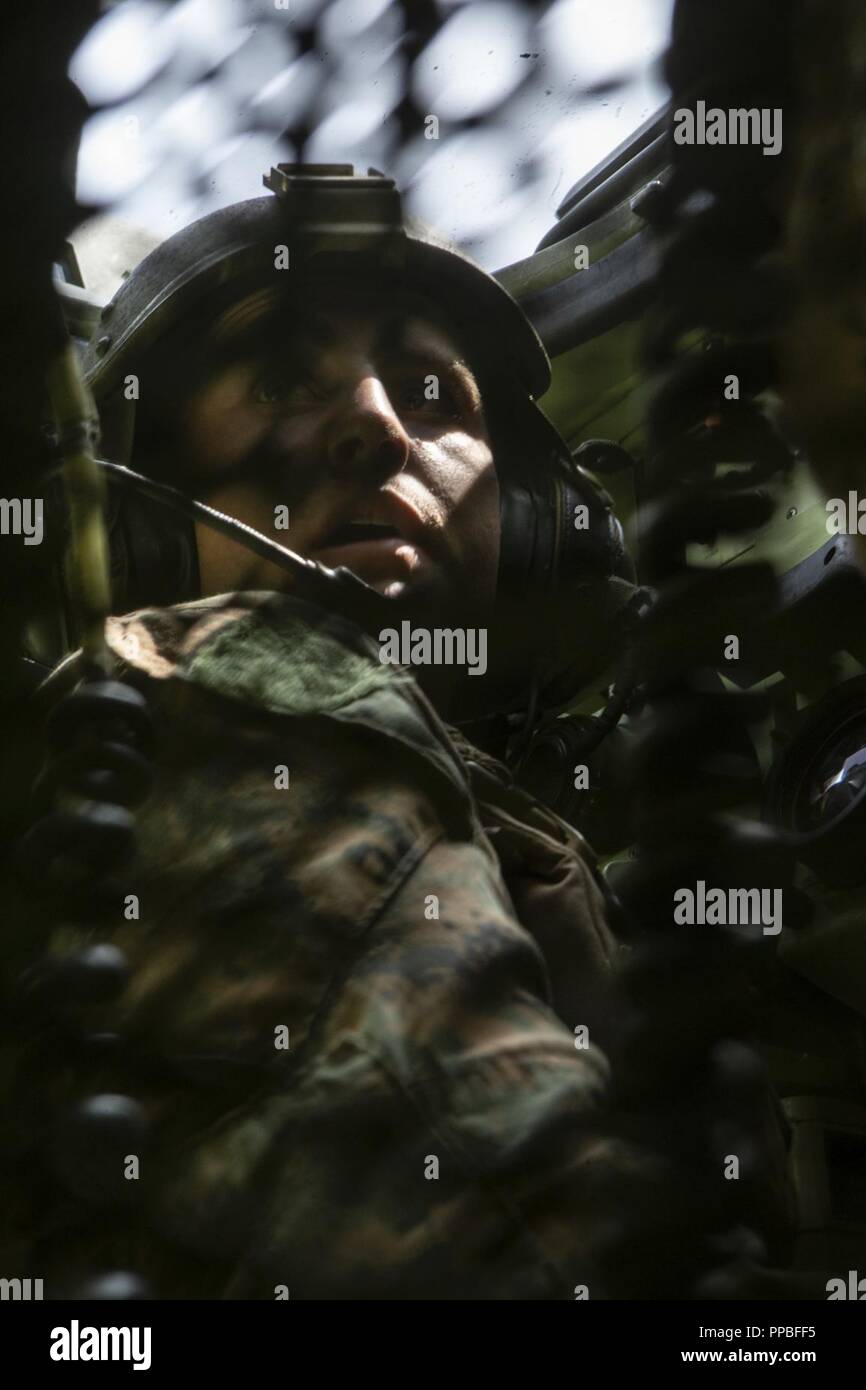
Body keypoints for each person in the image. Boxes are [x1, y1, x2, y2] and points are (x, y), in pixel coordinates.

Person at [6, 164, 791, 1300]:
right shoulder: (205, 683)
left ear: (533, 523)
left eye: (431, 395)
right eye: (280, 381)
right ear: (145, 529)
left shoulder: (556, 847)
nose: (374, 427)